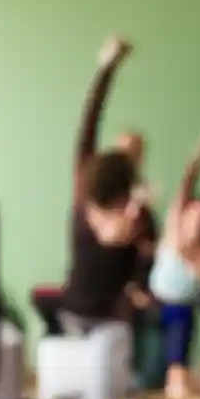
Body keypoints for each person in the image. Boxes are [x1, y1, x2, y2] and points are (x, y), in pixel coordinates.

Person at [59, 35, 155, 337]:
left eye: (135, 151)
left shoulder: (137, 211)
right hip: (78, 311)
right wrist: (106, 69)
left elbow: (148, 252)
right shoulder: (89, 193)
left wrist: (140, 285)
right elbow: (88, 126)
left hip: (112, 317)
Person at [149, 133, 200, 399]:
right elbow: (186, 184)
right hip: (154, 301)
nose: (196, 219)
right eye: (193, 212)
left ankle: (177, 377)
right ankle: (168, 376)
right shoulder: (173, 228)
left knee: (181, 319)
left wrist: (188, 245)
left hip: (181, 307)